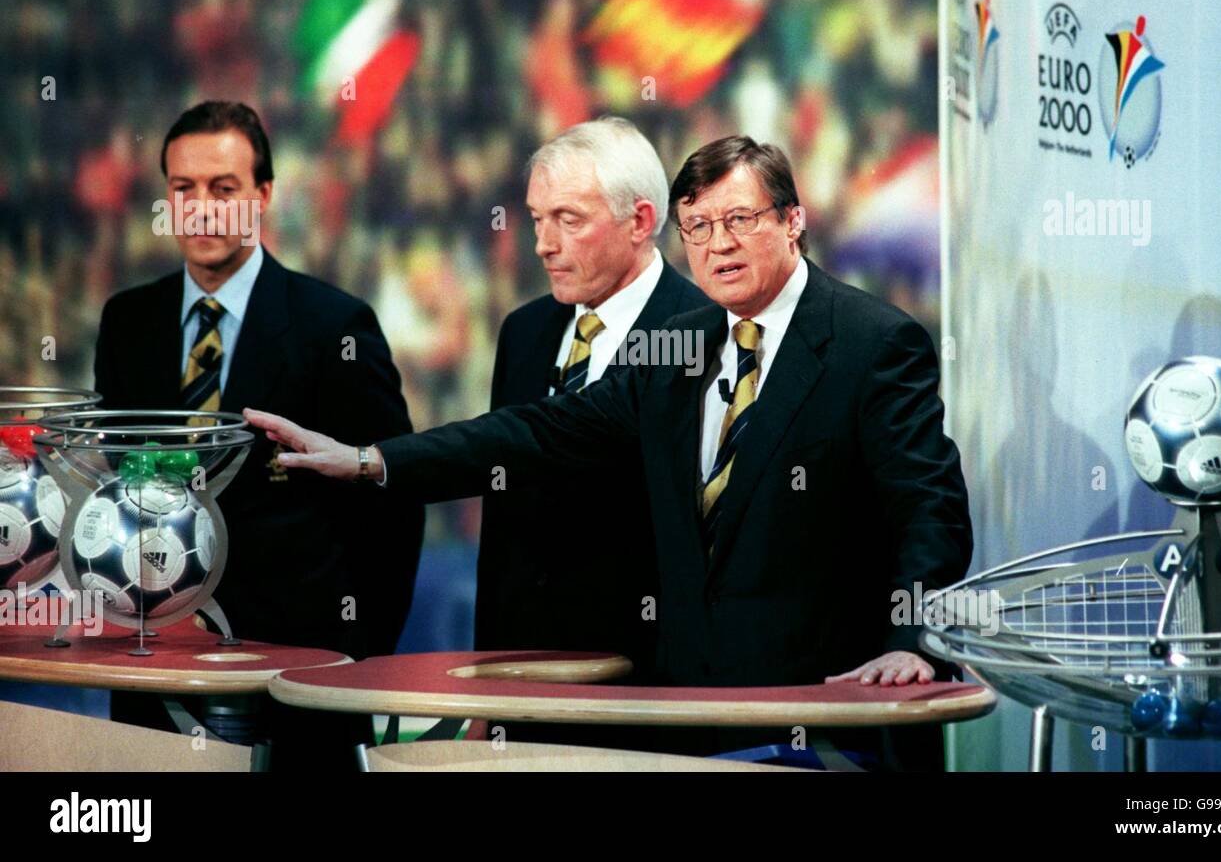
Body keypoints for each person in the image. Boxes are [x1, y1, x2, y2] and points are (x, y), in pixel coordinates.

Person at [246, 135, 973, 769]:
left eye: (739, 220)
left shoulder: (873, 342)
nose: (718, 244)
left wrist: (912, 639)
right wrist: (369, 459)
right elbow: (532, 433)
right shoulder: (678, 347)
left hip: (826, 721)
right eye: (699, 227)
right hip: (689, 726)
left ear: (793, 222)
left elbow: (931, 509)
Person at [94, 101, 424, 766]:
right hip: (151, 684)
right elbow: (111, 487)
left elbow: (394, 498)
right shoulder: (128, 322)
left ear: (263, 195)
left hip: (297, 690)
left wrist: (352, 664)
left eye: (224, 189)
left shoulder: (335, 326)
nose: (203, 208)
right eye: (184, 189)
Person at [480, 118, 706, 683]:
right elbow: (502, 520)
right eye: (537, 219)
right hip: (523, 684)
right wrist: (486, 675)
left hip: (651, 689)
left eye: (568, 221)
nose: (543, 244)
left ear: (641, 222)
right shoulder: (524, 333)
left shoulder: (702, 331)